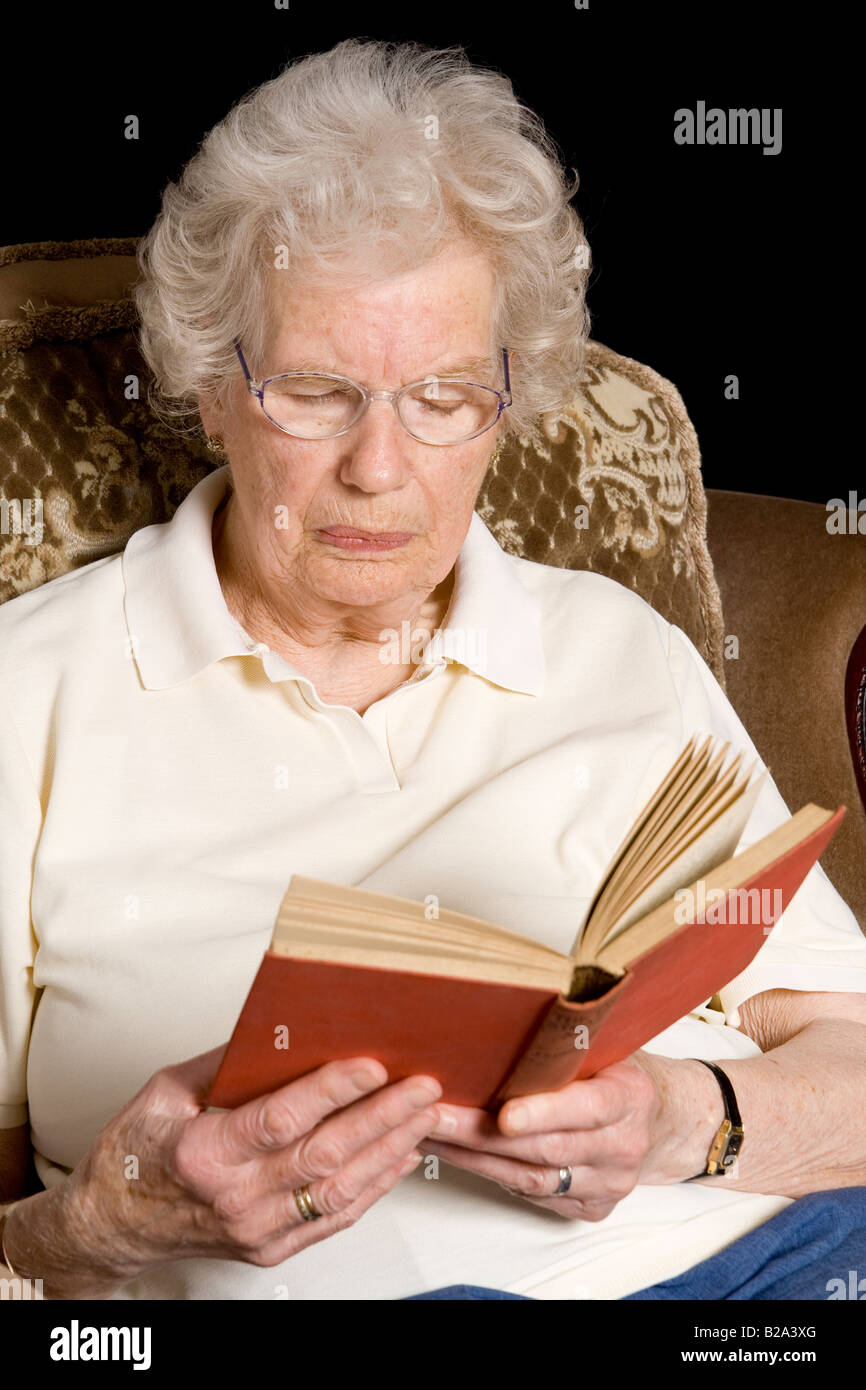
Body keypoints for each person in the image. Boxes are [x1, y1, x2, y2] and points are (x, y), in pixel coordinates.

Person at [1, 38, 865, 1303]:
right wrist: (104, 1227)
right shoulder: (38, 689)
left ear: (508, 401)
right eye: (314, 390)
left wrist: (685, 1118)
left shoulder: (616, 649)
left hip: (765, 1270)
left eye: (444, 398)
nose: (378, 467)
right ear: (207, 385)